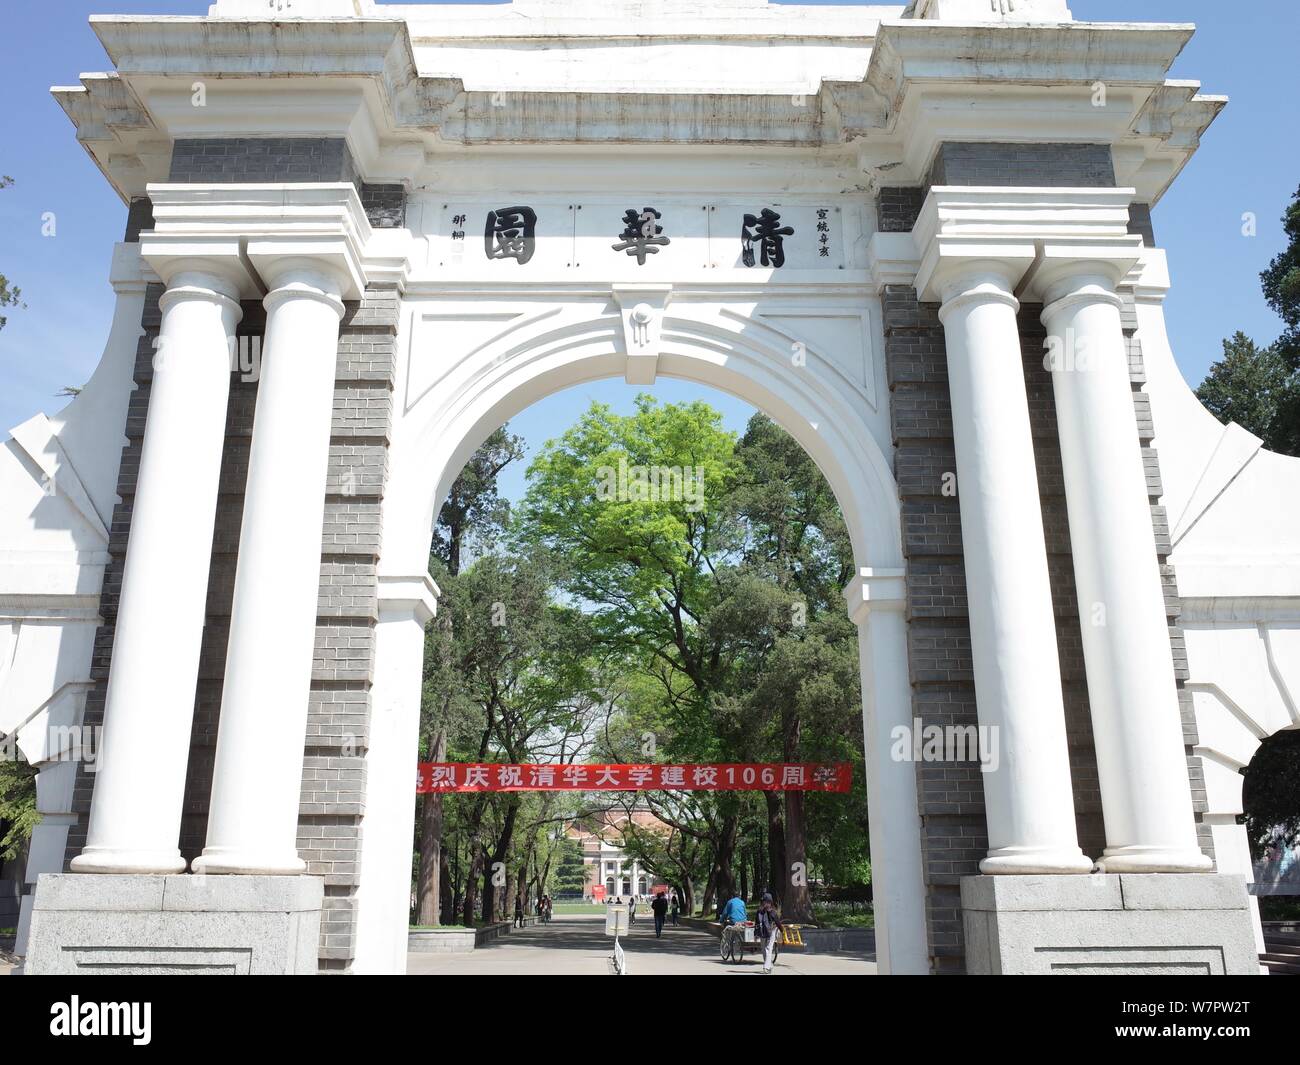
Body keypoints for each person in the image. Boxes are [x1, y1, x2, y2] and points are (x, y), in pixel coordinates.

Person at [756, 892, 784, 974]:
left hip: (767, 932)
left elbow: (777, 923)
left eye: (767, 902)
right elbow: (777, 922)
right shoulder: (768, 911)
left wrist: (781, 930)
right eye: (765, 902)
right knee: (766, 950)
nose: (766, 903)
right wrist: (782, 930)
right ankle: (768, 965)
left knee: (767, 949)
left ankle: (766, 967)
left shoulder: (762, 911)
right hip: (766, 932)